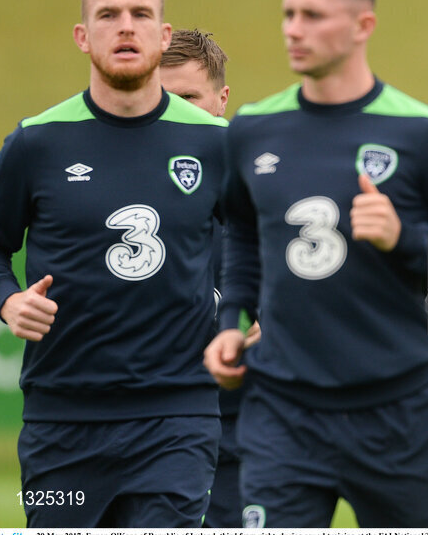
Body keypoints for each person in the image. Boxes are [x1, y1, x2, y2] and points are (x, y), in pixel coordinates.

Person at [202, 0, 428, 528]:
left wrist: (406, 239)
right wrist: (230, 324)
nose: (294, 29)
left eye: (313, 15)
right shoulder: (251, 129)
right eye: (289, 13)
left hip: (396, 413)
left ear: (363, 25)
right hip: (281, 411)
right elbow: (242, 233)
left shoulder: (421, 132)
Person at [0, 0, 227, 527]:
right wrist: (7, 299)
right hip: (62, 422)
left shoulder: (217, 144)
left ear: (162, 35)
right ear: (84, 36)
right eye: (109, 14)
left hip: (177, 417)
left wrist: (253, 309)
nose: (126, 25)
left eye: (140, 13)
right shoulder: (37, 143)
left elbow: (260, 243)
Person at [159, 28, 247, 528]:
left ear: (221, 98)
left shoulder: (266, 175)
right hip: (156, 425)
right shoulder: (120, 176)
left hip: (249, 431)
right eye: (164, 98)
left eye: (189, 97)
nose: (177, 111)